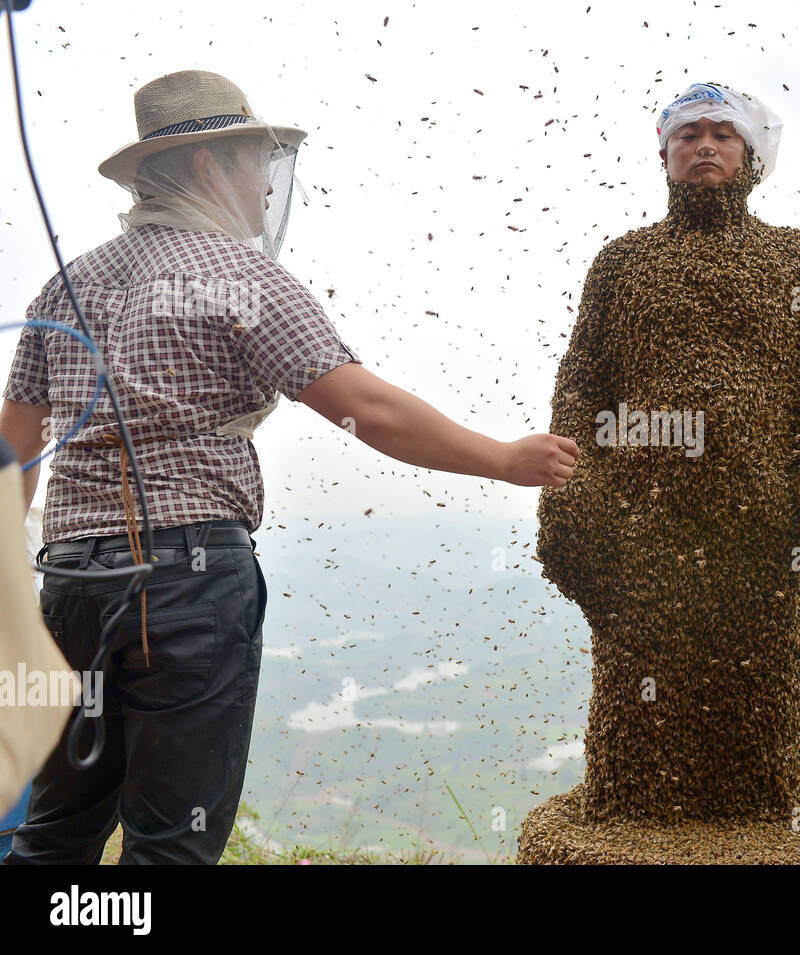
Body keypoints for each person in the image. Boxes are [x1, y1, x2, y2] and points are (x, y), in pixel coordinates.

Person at [0, 69, 576, 864]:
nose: (268, 188)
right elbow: (363, 408)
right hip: (184, 582)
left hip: (67, 585)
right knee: (171, 844)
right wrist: (502, 458)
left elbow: (15, 451)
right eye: (253, 163)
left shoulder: (65, 284)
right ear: (209, 167)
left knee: (54, 834)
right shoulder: (241, 276)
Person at [534, 83, 800, 827]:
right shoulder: (622, 264)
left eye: (723, 133)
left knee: (762, 725)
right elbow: (580, 383)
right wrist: (567, 484)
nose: (706, 146)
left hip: (764, 533)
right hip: (640, 534)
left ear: (752, 156)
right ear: (664, 154)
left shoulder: (794, 259)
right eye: (689, 135)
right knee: (637, 729)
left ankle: (759, 822)